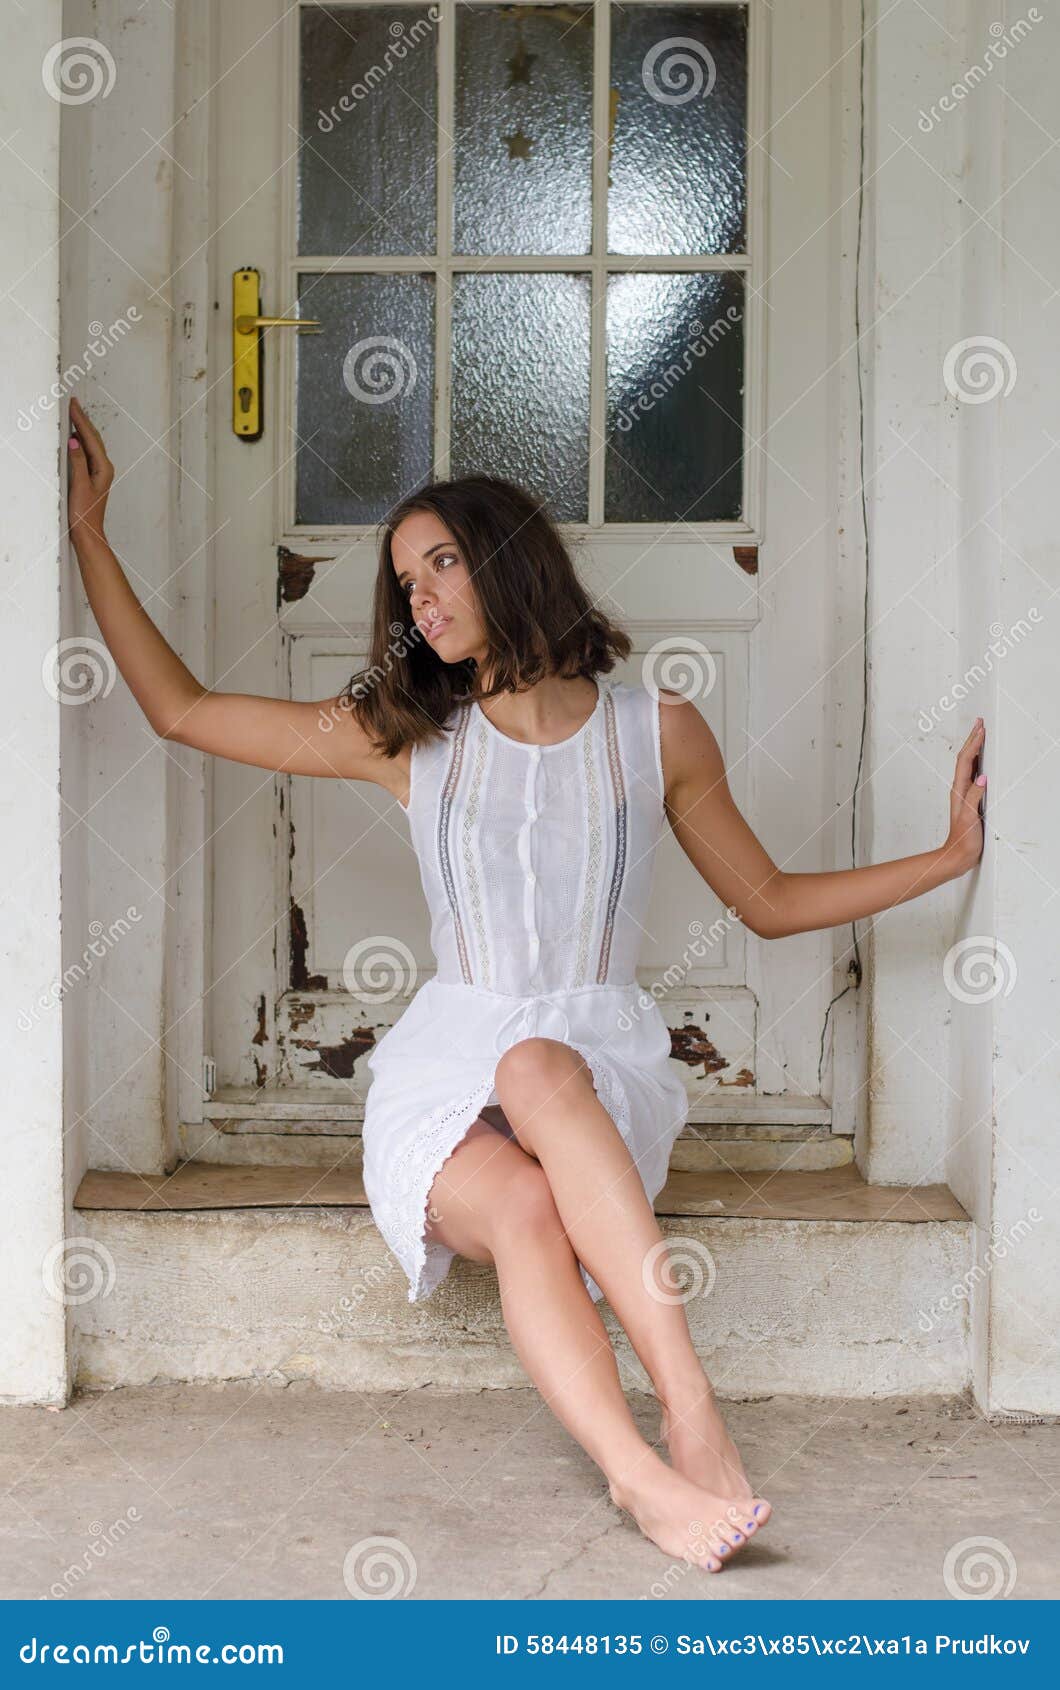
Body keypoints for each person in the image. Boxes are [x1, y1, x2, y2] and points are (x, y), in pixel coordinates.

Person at [65, 394, 986, 1576]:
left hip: (592, 1078)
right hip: (446, 1077)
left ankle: (691, 1409)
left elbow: (769, 901)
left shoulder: (657, 731)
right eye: (405, 583)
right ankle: (643, 1472)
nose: (422, 597)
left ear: (508, 558)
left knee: (542, 1065)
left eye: (441, 562)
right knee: (522, 1196)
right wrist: (93, 531)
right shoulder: (404, 735)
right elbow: (181, 710)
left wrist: (949, 856)